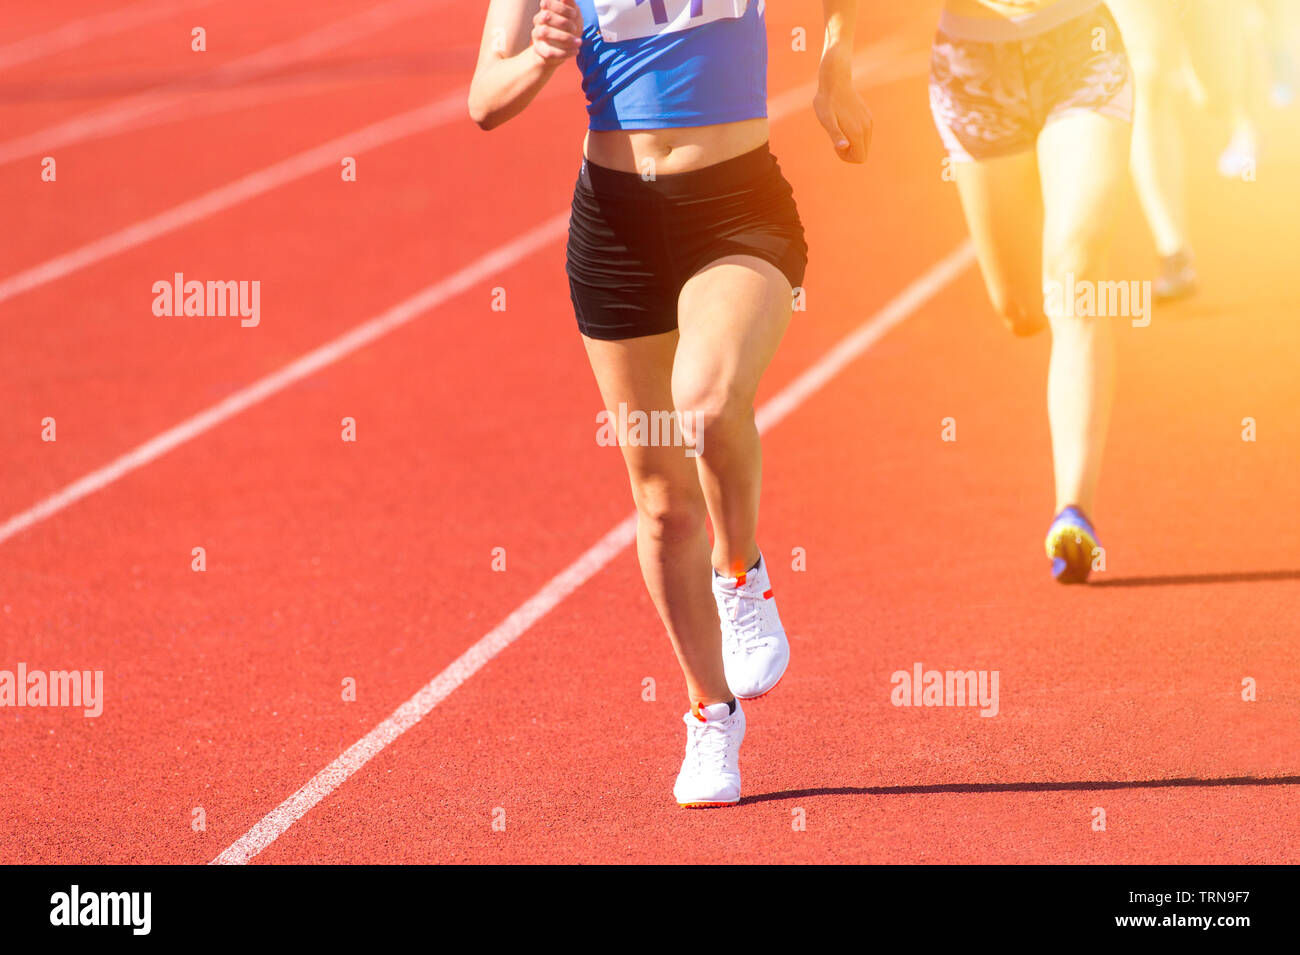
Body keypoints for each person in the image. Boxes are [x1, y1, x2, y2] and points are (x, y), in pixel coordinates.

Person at [469, 0, 871, 805]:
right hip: (617, 230)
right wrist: (541, 60)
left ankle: (740, 573)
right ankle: (708, 710)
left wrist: (836, 60)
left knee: (709, 399)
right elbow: (484, 99)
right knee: (660, 504)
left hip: (736, 209)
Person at [924, 0, 1133, 582]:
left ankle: (1074, 510)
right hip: (973, 74)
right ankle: (1054, 200)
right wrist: (836, 60)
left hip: (1078, 55)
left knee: (1075, 277)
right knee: (1019, 309)